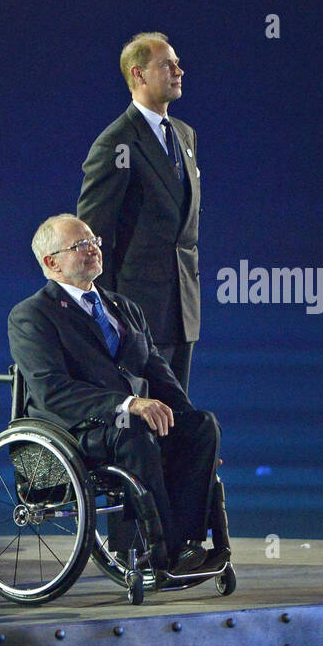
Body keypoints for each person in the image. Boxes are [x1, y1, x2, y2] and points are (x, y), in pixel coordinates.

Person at [7, 214, 219, 575]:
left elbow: (158, 373)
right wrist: (128, 403)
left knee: (201, 427)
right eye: (79, 246)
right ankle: (163, 551)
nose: (93, 250)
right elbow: (51, 390)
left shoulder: (124, 308)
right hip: (74, 430)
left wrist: (187, 426)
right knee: (134, 431)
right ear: (51, 262)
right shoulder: (32, 315)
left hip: (126, 424)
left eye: (94, 242)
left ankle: (190, 544)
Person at [77, 32, 200, 392]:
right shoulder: (116, 142)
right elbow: (93, 235)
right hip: (137, 313)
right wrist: (108, 311)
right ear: (139, 74)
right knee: (145, 419)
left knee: (179, 419)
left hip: (182, 308)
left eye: (176, 63)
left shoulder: (184, 134)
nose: (179, 70)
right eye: (167, 64)